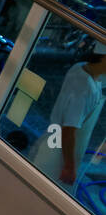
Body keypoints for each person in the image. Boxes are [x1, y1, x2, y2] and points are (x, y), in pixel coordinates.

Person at [31, 42, 106, 192]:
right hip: (57, 158)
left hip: (52, 145)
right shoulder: (84, 88)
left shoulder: (80, 68)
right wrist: (69, 167)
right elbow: (68, 131)